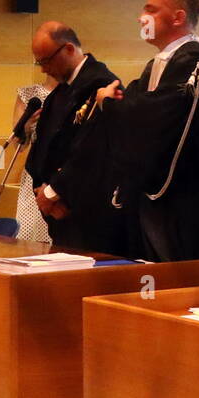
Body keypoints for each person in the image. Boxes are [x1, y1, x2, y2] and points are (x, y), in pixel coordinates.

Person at [96, 0, 199, 279]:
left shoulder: (195, 64)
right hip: (155, 203)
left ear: (177, 17)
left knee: (184, 284)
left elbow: (159, 118)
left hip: (187, 205)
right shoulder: (157, 65)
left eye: (150, 10)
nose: (141, 18)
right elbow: (140, 105)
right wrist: (118, 102)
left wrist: (111, 106)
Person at [24, 22, 124, 253]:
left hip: (88, 213)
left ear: (68, 49)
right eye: (39, 62)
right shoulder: (60, 92)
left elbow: (95, 152)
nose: (43, 69)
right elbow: (42, 150)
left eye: (46, 61)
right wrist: (44, 195)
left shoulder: (102, 86)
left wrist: (58, 194)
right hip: (58, 213)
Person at [11, 76, 56, 243]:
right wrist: (26, 125)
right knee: (29, 238)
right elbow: (19, 146)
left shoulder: (75, 94)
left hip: (64, 175)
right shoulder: (29, 95)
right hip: (35, 175)